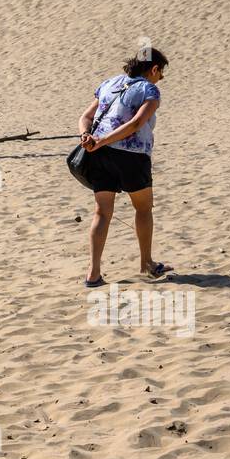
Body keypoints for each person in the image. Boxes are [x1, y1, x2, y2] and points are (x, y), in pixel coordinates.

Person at [76, 48, 172, 286]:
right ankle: (147, 264)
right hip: (132, 157)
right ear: (153, 69)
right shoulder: (149, 89)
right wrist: (103, 140)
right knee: (143, 208)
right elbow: (137, 123)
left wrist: (87, 137)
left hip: (99, 155)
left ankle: (93, 273)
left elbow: (85, 117)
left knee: (102, 212)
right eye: (160, 73)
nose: (160, 78)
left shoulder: (110, 83)